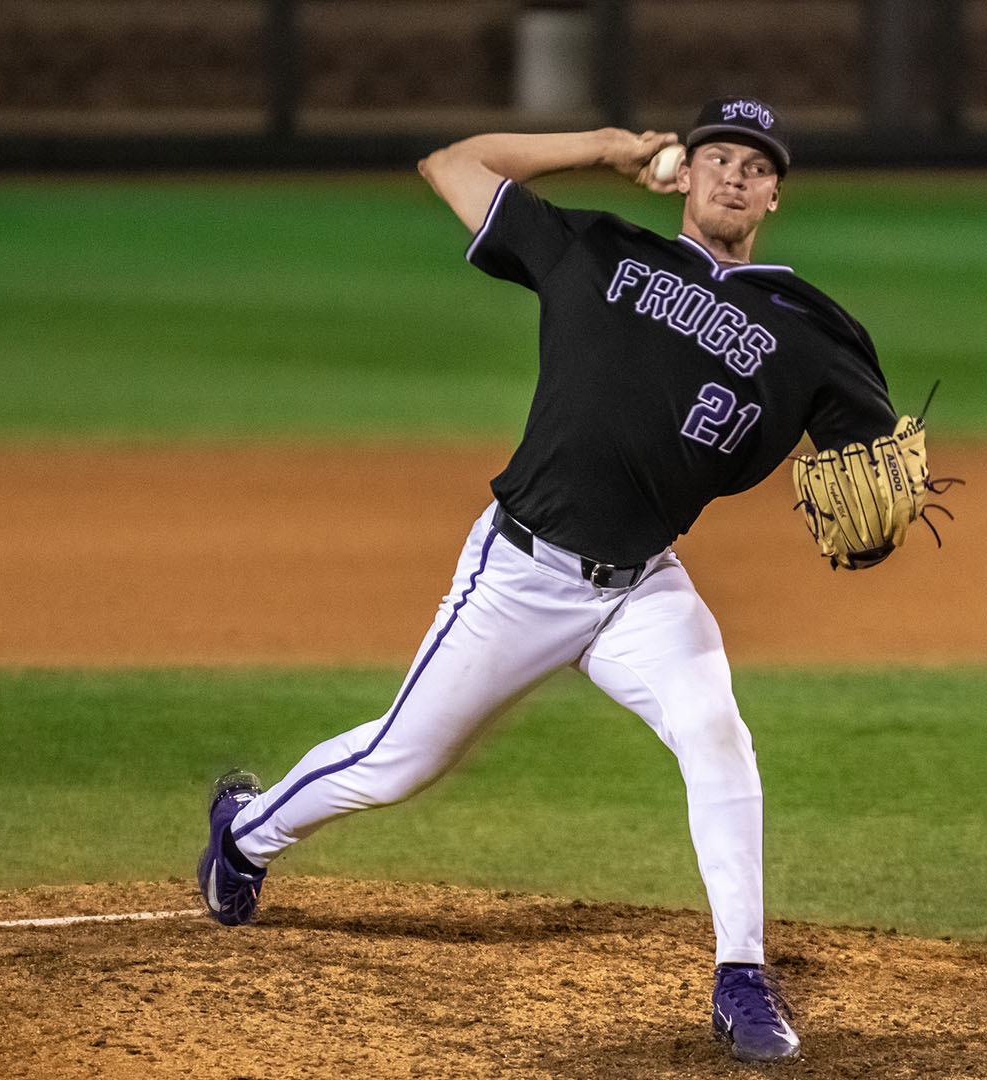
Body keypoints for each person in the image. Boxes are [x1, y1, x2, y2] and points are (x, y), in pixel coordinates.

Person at [198, 96, 917, 1065]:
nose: (736, 176)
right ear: (688, 170)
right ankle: (244, 834)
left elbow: (877, 457)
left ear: (774, 196)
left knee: (716, 732)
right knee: (402, 761)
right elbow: (452, 164)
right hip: (519, 575)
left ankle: (741, 977)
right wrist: (605, 149)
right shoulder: (600, 251)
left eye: (757, 167)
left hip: (642, 589)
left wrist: (882, 513)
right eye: (719, 157)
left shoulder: (811, 328)